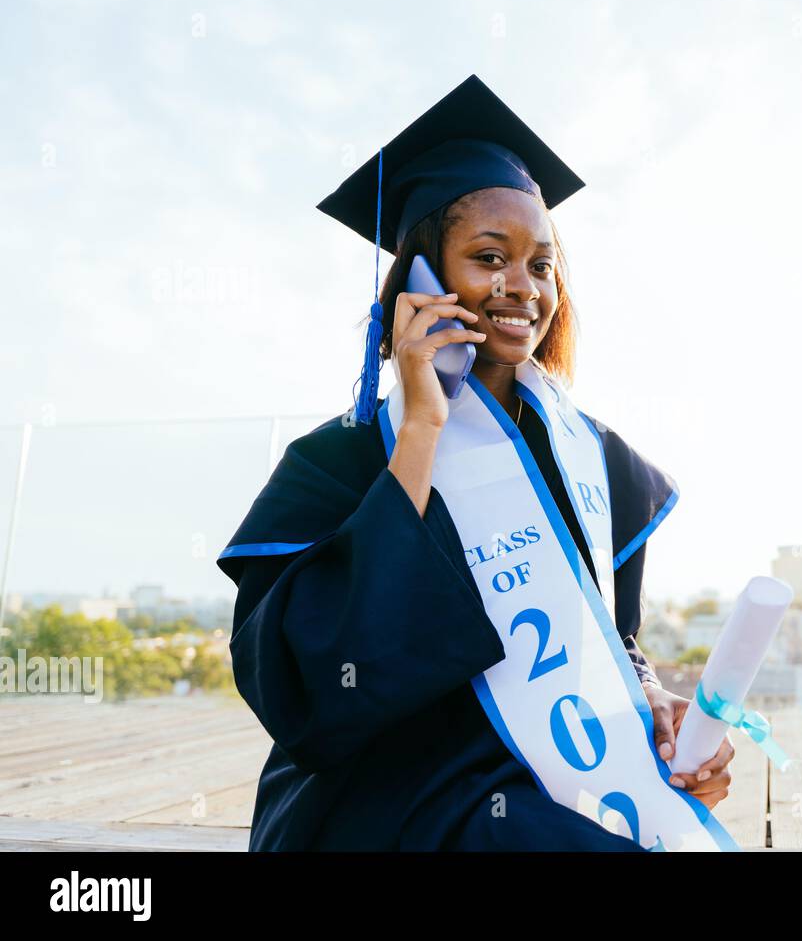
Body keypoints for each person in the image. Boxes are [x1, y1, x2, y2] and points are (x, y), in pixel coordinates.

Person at [217, 75, 736, 851]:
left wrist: (654, 704)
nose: (521, 288)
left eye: (541, 264)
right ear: (423, 278)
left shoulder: (592, 457)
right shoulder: (343, 457)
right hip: (389, 794)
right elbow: (304, 689)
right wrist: (423, 426)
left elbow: (611, 635)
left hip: (550, 778)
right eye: (488, 257)